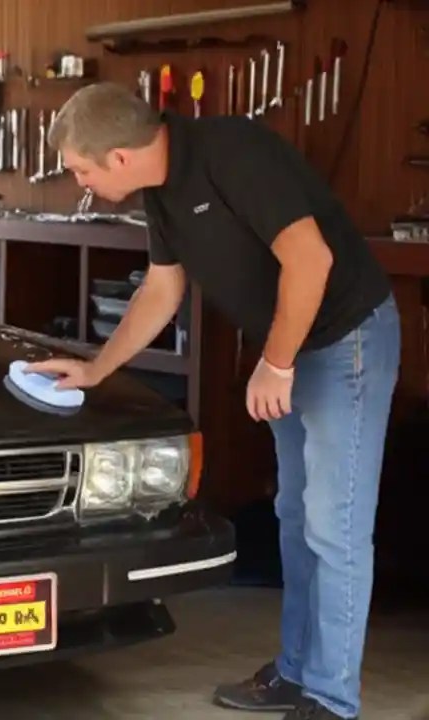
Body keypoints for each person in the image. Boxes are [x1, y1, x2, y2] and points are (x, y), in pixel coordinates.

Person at [29, 82, 399, 720]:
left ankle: (332, 701)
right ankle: (297, 672)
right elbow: (160, 292)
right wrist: (96, 368)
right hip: (290, 349)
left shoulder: (233, 154)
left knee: (333, 527)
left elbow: (310, 258)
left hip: (345, 341)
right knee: (293, 513)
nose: (79, 182)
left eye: (80, 169)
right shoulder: (163, 192)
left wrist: (275, 363)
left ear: (119, 157)